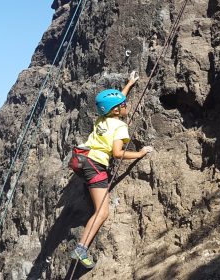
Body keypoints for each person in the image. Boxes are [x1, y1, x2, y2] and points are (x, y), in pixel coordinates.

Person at [70, 71, 153, 268]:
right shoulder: (120, 126)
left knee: (98, 205)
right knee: (102, 211)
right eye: (123, 105)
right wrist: (140, 153)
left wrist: (129, 84)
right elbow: (117, 153)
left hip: (83, 160)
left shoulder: (102, 119)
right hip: (95, 166)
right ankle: (81, 248)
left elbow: (112, 104)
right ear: (116, 111)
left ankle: (81, 247)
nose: (126, 106)